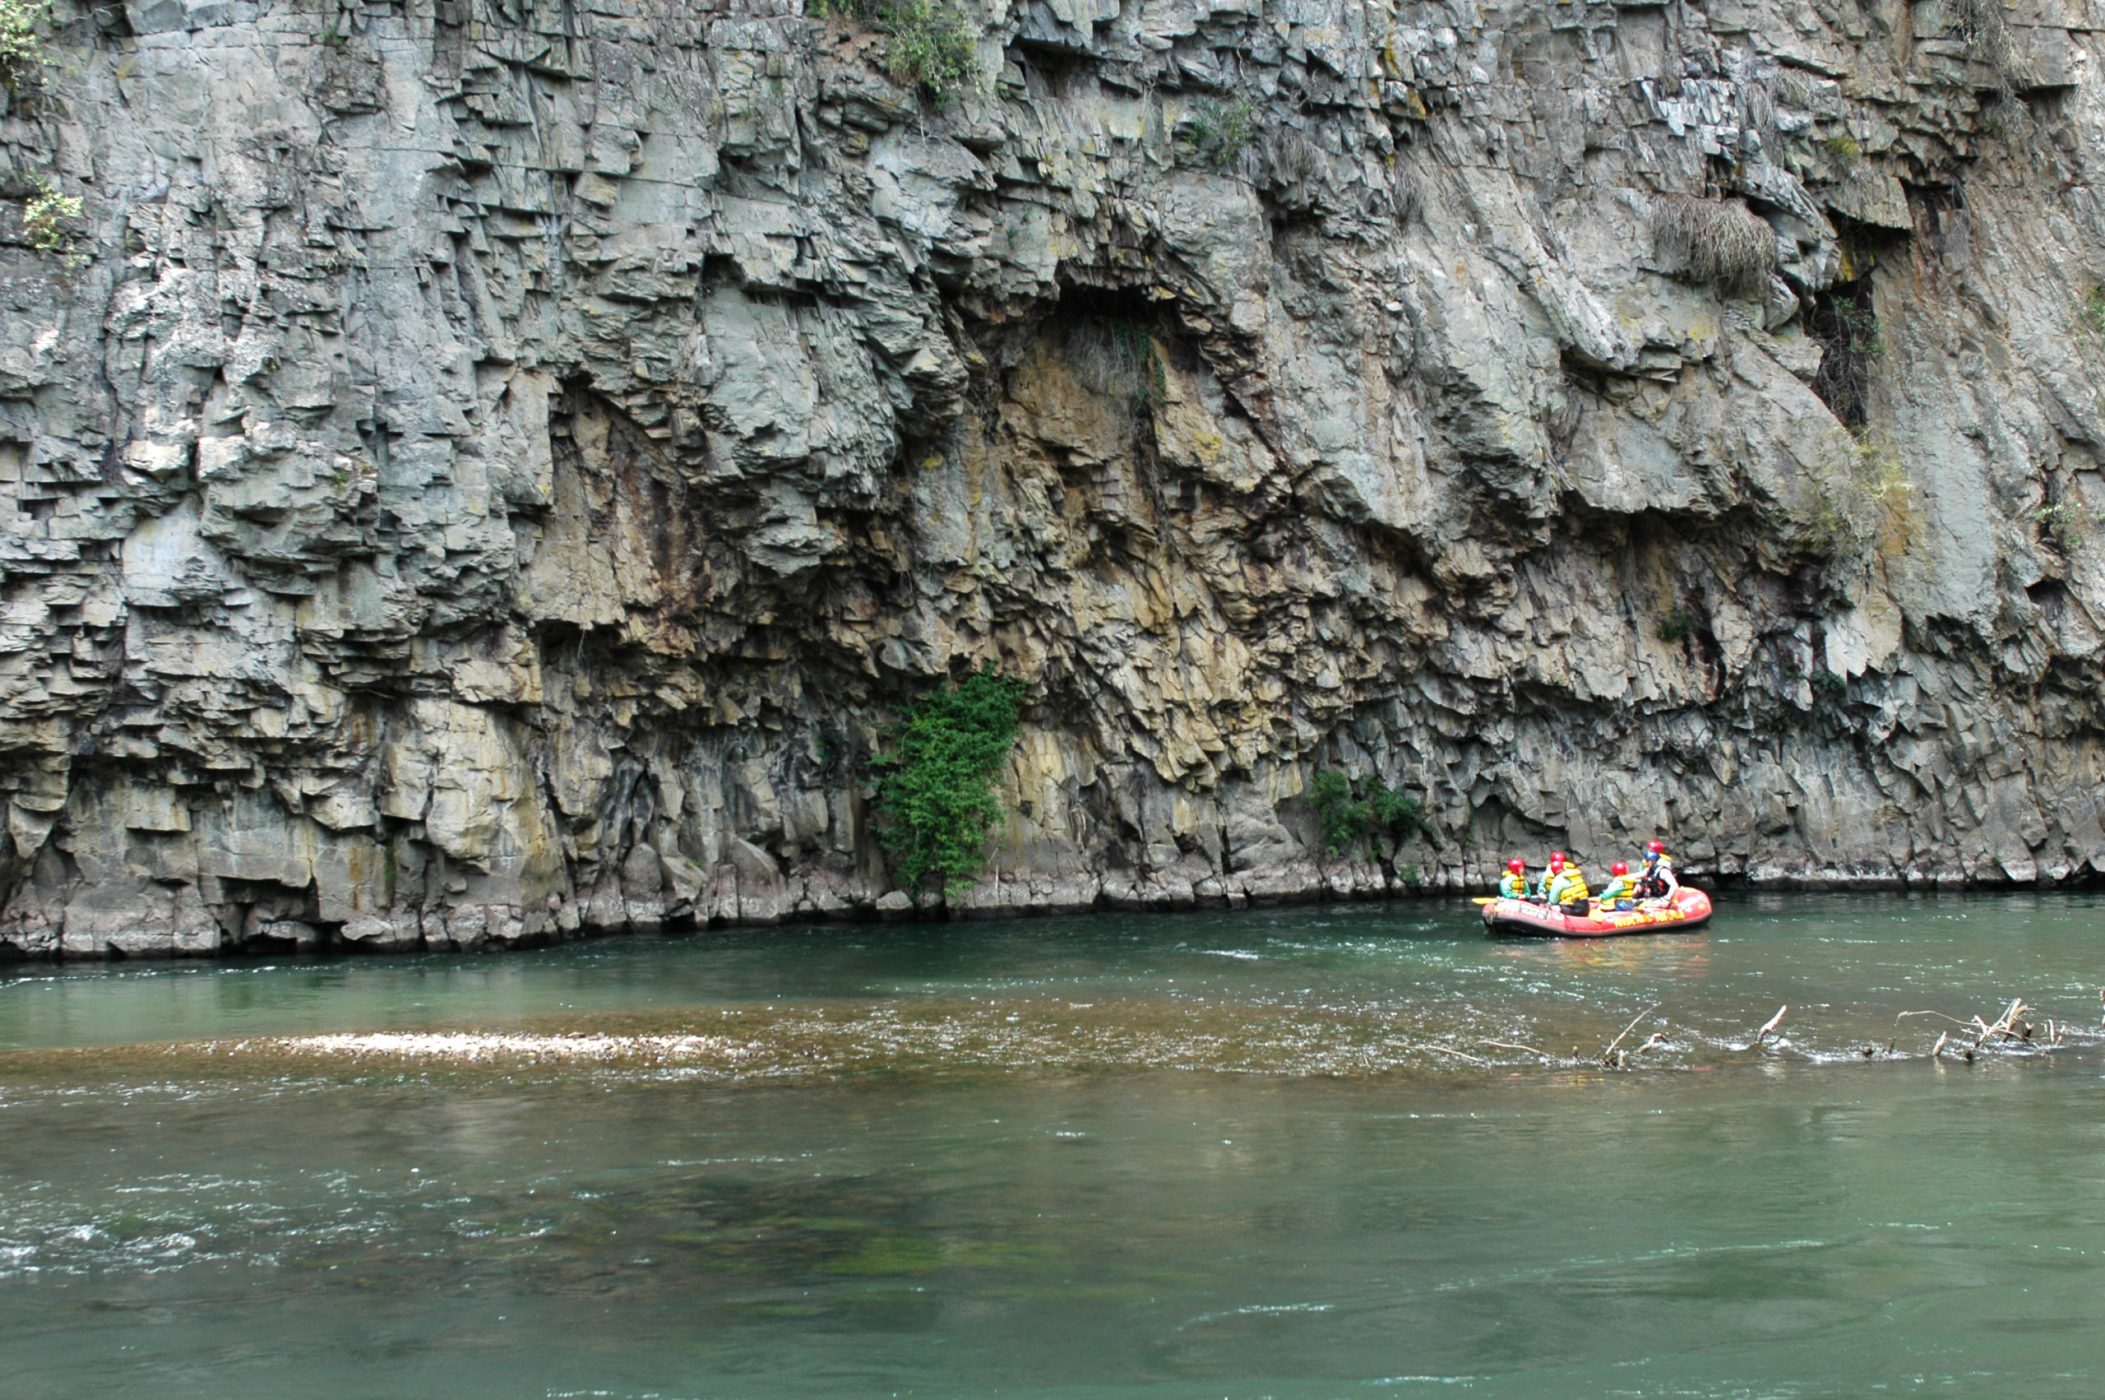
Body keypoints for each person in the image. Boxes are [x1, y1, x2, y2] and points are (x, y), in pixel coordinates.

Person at [1636, 840, 1678, 904]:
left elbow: (1674, 885)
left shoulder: (1662, 869)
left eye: (1651, 850)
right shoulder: (1649, 866)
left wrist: (1666, 899)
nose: (1646, 861)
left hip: (1662, 895)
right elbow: (1642, 874)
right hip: (1651, 889)